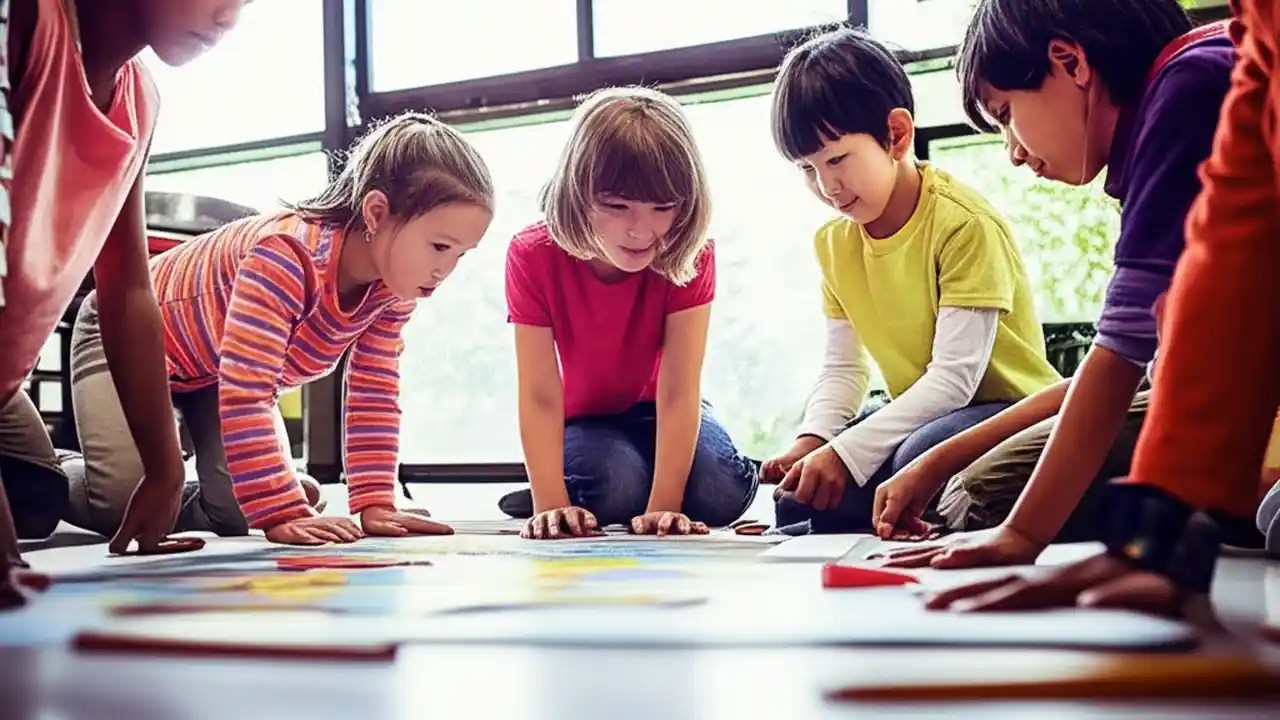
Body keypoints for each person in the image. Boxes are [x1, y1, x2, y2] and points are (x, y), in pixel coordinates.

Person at [922, 0, 1279, 616]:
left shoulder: (1191, 82)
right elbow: (1220, 288)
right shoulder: (1231, 61)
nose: (1010, 151)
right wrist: (1150, 542)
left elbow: (1119, 353)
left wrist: (1024, 534)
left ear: (1069, 61)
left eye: (1006, 115)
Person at [68, 113, 494, 546]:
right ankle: (46, 474)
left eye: (461, 255)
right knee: (118, 502)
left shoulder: (395, 290)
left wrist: (375, 501)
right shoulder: (288, 255)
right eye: (440, 246)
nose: (445, 270)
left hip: (215, 368)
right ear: (376, 212)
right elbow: (249, 387)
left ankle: (206, 493)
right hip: (124, 336)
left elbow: (373, 391)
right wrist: (282, 508)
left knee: (238, 511)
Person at [759, 26, 1059, 535]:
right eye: (807, 169)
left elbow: (954, 383)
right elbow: (842, 370)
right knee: (799, 499)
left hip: (1009, 410)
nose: (827, 186)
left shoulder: (964, 223)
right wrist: (814, 440)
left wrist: (846, 451)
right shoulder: (834, 244)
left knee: (911, 457)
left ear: (897, 135)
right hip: (923, 413)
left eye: (837, 160)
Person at [0, 0, 250, 608]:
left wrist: (166, 470)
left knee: (37, 500)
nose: (230, 16)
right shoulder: (26, 24)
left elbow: (128, 290)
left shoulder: (141, 102)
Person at [501, 87, 758, 540]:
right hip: (587, 418)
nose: (641, 230)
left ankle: (613, 480)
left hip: (664, 408)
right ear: (579, 193)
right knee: (615, 488)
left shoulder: (691, 252)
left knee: (721, 491)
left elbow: (679, 388)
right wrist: (549, 502)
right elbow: (540, 392)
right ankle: (561, 481)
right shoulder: (531, 253)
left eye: (663, 208)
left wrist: (665, 508)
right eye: (617, 207)